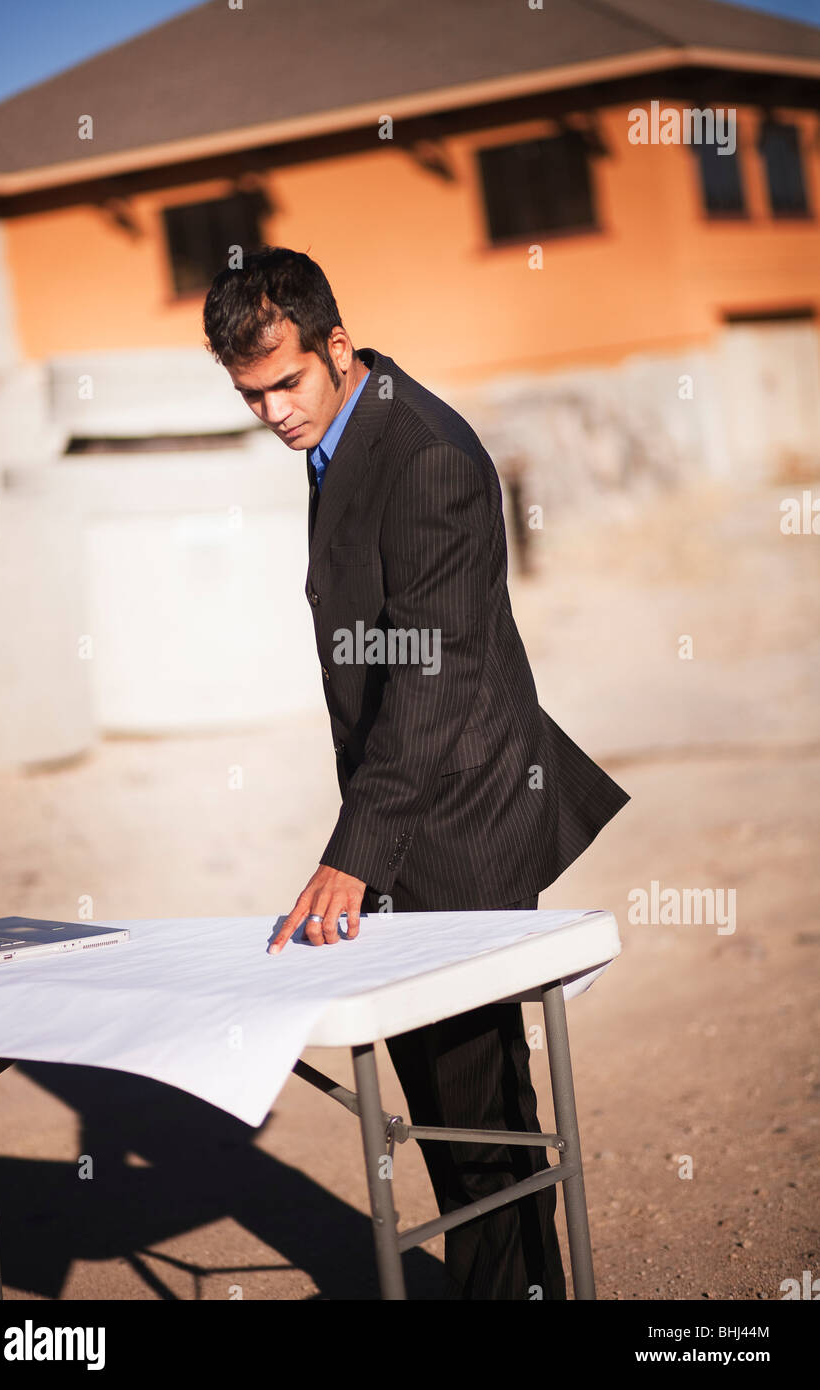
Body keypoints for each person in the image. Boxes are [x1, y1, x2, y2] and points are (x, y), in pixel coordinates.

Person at [202, 247, 630, 1299]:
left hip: (461, 820)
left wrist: (354, 855)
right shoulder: (348, 428)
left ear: (335, 346)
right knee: (467, 1108)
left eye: (285, 384)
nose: (271, 414)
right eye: (249, 396)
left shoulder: (424, 453)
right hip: (411, 807)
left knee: (470, 1113)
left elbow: (430, 678)